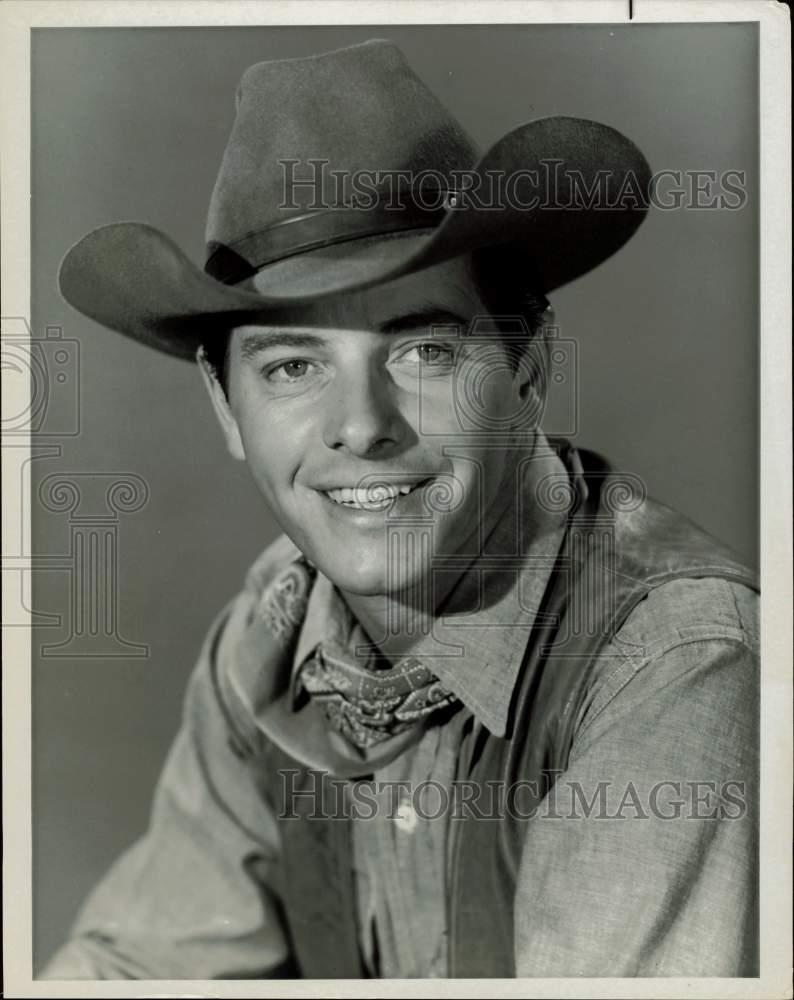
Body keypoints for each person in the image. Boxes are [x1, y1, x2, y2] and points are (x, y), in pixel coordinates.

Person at [43, 39, 759, 979]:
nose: (362, 427)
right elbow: (136, 966)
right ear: (227, 410)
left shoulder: (672, 660)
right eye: (294, 367)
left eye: (425, 353)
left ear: (529, 371)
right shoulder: (266, 643)